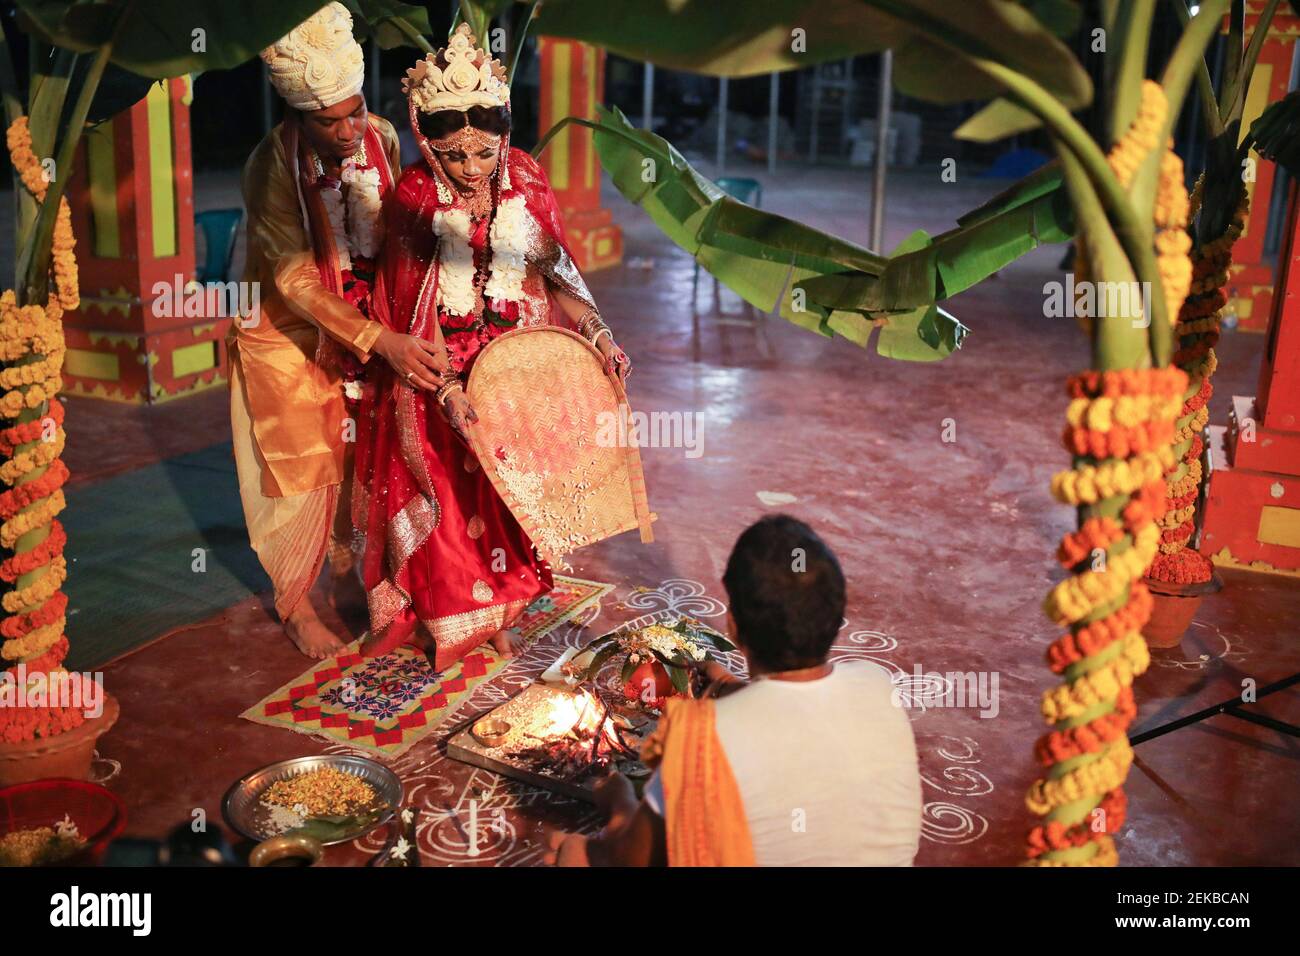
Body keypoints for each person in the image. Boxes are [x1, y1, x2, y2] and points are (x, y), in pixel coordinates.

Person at [354, 24, 631, 670]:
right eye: (455, 157)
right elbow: (404, 303)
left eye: (485, 154)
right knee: (450, 506)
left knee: (507, 504)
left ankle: (503, 611)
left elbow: (560, 276)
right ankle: (454, 622)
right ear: (427, 140)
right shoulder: (414, 199)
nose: (473, 170)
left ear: (504, 136)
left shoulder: (527, 180)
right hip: (438, 375)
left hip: (513, 374)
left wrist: (601, 338)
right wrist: (447, 387)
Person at [232, 3, 445, 658]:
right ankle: (295, 604)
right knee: (300, 472)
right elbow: (296, 281)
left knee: (363, 458)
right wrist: (381, 341)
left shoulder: (380, 134)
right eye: (332, 120)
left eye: (356, 110)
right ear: (299, 116)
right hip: (286, 336)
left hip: (367, 323)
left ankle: (356, 577)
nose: (352, 128)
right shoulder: (271, 167)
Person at [545, 515, 923, 866]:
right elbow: (796, 708)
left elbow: (627, 858)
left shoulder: (700, 738)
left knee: (571, 853)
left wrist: (620, 804)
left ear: (733, 627)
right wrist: (724, 685)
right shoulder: (876, 683)